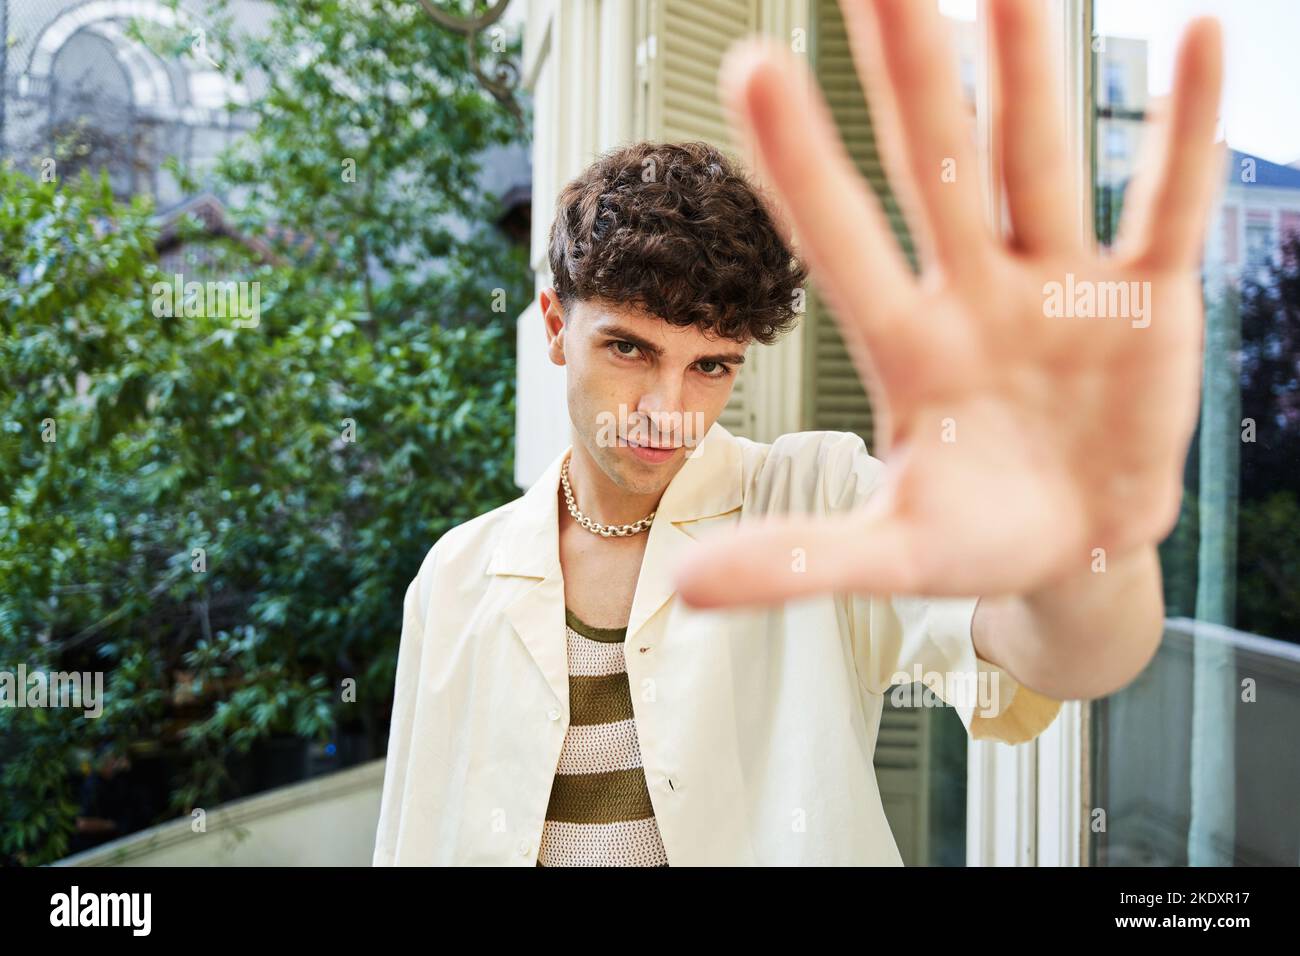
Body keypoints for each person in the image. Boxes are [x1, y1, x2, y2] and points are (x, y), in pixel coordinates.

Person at [374, 0, 1223, 865]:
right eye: (629, 348)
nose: (669, 407)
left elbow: (1073, 652)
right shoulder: (453, 580)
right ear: (556, 326)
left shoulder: (819, 502)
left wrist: (1084, 550)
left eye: (712, 365)